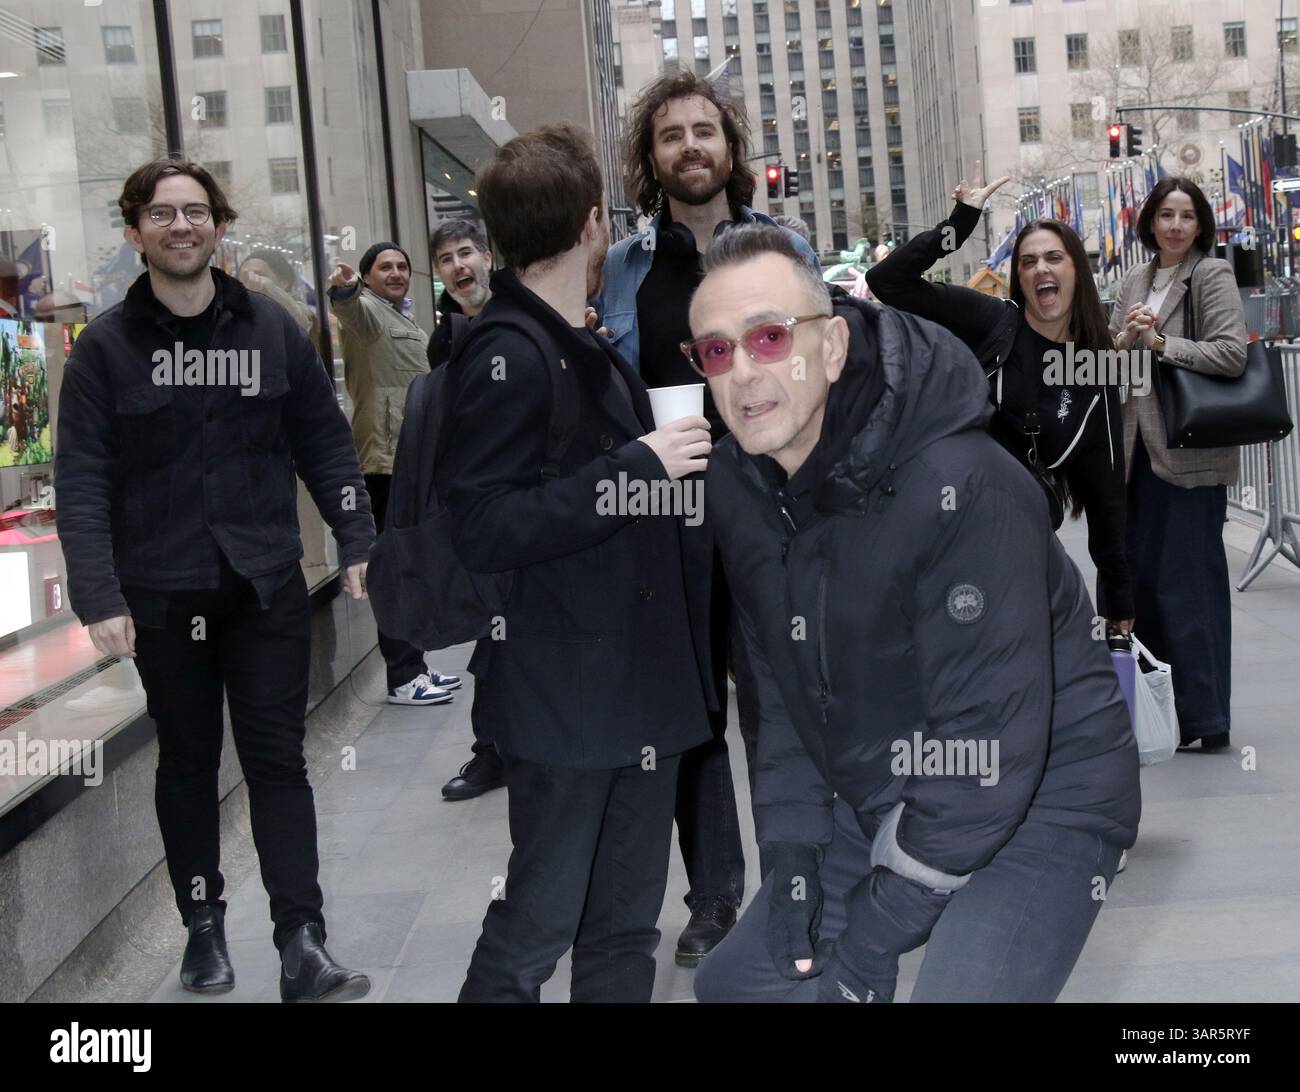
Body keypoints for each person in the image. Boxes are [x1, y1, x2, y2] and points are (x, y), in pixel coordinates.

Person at [687, 224, 1141, 1002]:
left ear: (831, 347)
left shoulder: (965, 481)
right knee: (738, 987)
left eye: (768, 338)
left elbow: (989, 746)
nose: (742, 374)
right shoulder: (741, 481)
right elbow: (780, 691)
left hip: (1044, 795)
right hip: (890, 784)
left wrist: (873, 939)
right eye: (716, 351)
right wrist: (794, 858)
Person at [56, 156, 375, 1002]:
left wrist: (355, 536)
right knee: (188, 762)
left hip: (263, 588)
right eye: (161, 214)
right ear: (135, 234)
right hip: (161, 598)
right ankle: (203, 931)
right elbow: (80, 478)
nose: (181, 225)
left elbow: (325, 443)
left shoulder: (271, 331)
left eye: (196, 211)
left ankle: (302, 941)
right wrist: (97, 596)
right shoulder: (102, 352)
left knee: (277, 761)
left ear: (220, 225)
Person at [438, 124, 716, 1003]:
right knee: (538, 925)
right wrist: (639, 465)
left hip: (634, 683)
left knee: (625, 928)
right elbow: (484, 526)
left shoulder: (572, 338)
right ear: (595, 223)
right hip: (569, 692)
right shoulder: (507, 355)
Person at [595, 70, 821, 967]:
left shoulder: (782, 249)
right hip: (666, 517)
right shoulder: (623, 268)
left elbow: (819, 365)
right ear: (652, 161)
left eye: (703, 131)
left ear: (730, 146)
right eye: (669, 137)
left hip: (769, 506)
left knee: (785, 706)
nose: (689, 147)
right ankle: (716, 898)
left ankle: (795, 888)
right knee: (690, 714)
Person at [865, 166, 1134, 637]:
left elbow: (1105, 493)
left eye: (1054, 258)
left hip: (1018, 547)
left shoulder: (1097, 367)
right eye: (1028, 262)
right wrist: (961, 221)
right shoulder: (993, 320)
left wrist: (1119, 600)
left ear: (1077, 270)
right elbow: (889, 282)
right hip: (938, 527)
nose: (1040, 270)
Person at [1111, 178, 1247, 751]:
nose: (1174, 226)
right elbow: (1114, 362)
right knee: (1142, 587)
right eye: (1165, 215)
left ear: (1200, 225)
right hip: (1137, 458)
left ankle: (1206, 718)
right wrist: (1126, 339)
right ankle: (1161, 716)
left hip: (1191, 456)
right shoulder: (1133, 279)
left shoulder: (1209, 274)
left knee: (1190, 586)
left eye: (1185, 216)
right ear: (1149, 221)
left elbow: (1231, 352)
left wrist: (1162, 343)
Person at [328, 241, 460, 706]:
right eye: (385, 266)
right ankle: (403, 676)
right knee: (394, 570)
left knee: (412, 565)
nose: (397, 272)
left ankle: (415, 666)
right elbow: (348, 310)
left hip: (410, 456)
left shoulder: (401, 316)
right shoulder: (365, 310)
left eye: (403, 266)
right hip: (384, 460)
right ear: (366, 277)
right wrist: (343, 291)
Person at [426, 219, 505, 802]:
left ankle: (509, 748)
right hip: (478, 511)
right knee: (492, 635)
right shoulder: (445, 338)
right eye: (447, 259)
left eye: (466, 253)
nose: (458, 266)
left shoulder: (522, 318)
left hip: (534, 505)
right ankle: (492, 752)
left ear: (488, 257)